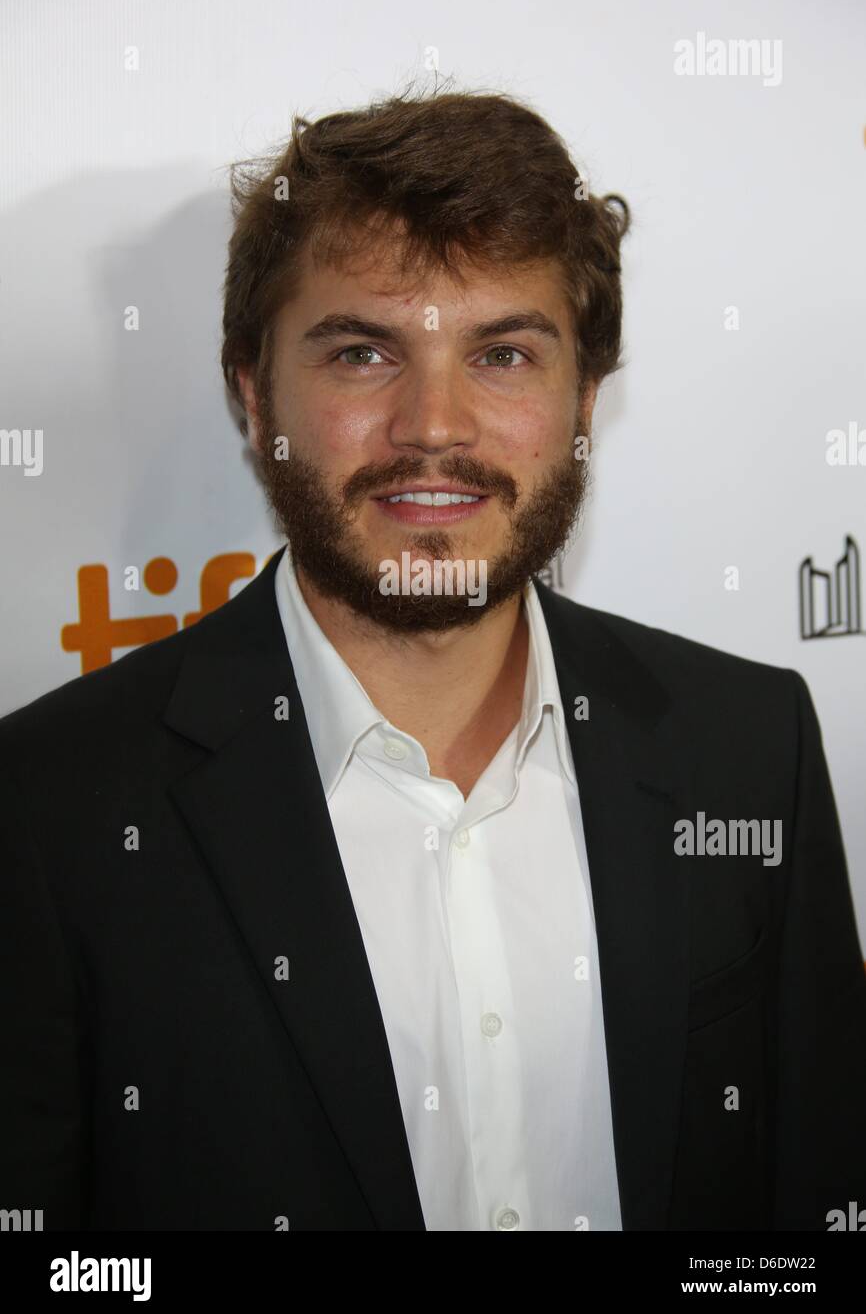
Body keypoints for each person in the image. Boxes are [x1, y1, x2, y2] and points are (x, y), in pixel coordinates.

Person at [1, 84, 864, 1231]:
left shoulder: (747, 747)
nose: (434, 426)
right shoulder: (51, 805)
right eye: (362, 351)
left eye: (502, 354)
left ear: (583, 402)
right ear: (254, 394)